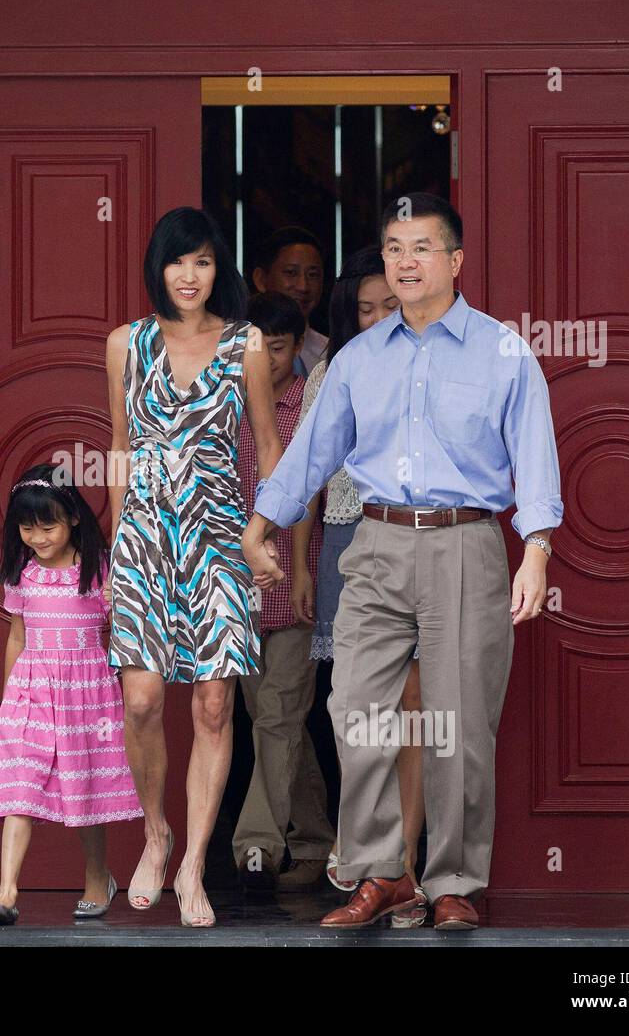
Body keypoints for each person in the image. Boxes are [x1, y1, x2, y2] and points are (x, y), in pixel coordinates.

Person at [243, 193, 562, 931]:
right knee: (353, 707)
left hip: (466, 540)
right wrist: (263, 520)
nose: (406, 261)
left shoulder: (502, 350)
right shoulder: (359, 359)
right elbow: (311, 454)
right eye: (394, 247)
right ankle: (385, 871)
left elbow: (536, 458)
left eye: (422, 247)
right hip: (378, 543)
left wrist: (537, 549)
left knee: (459, 719)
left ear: (455, 260)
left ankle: (454, 879)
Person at [106, 207, 283, 927]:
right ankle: (156, 831)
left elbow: (270, 447)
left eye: (204, 262)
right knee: (143, 700)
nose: (190, 275)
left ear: (220, 271)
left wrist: (263, 534)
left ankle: (192, 865)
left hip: (217, 538)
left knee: (214, 704)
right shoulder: (125, 344)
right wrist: (117, 544)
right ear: (159, 267)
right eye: (178, 261)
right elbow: (119, 445)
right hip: (145, 539)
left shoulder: (246, 345)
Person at [292, 245, 424, 910]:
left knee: (415, 709)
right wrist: (298, 565)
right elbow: (306, 479)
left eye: (389, 305)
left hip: (428, 543)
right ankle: (367, 849)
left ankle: (404, 868)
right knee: (357, 710)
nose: (377, 318)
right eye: (365, 308)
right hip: (348, 541)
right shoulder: (332, 375)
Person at [0, 463, 143, 925]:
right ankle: (6, 893)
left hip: (87, 693)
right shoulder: (22, 574)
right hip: (32, 691)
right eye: (27, 527)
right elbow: (17, 636)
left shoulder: (99, 569)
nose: (37, 536)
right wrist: (12, 694)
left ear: (72, 517)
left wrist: (119, 602)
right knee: (19, 788)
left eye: (47, 525)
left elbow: (125, 633)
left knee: (83, 789)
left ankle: (97, 876)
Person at [230, 290, 332, 893]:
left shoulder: (306, 409)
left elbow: (307, 502)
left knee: (279, 713)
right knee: (273, 719)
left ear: (298, 349)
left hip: (296, 581)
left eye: (278, 347)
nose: (265, 358)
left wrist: (299, 571)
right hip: (237, 588)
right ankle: (315, 838)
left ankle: (255, 845)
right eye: (257, 345)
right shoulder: (227, 408)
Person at [250, 226, 329, 376]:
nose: (303, 286)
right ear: (261, 279)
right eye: (291, 273)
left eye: (313, 275)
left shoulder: (333, 354)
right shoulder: (236, 349)